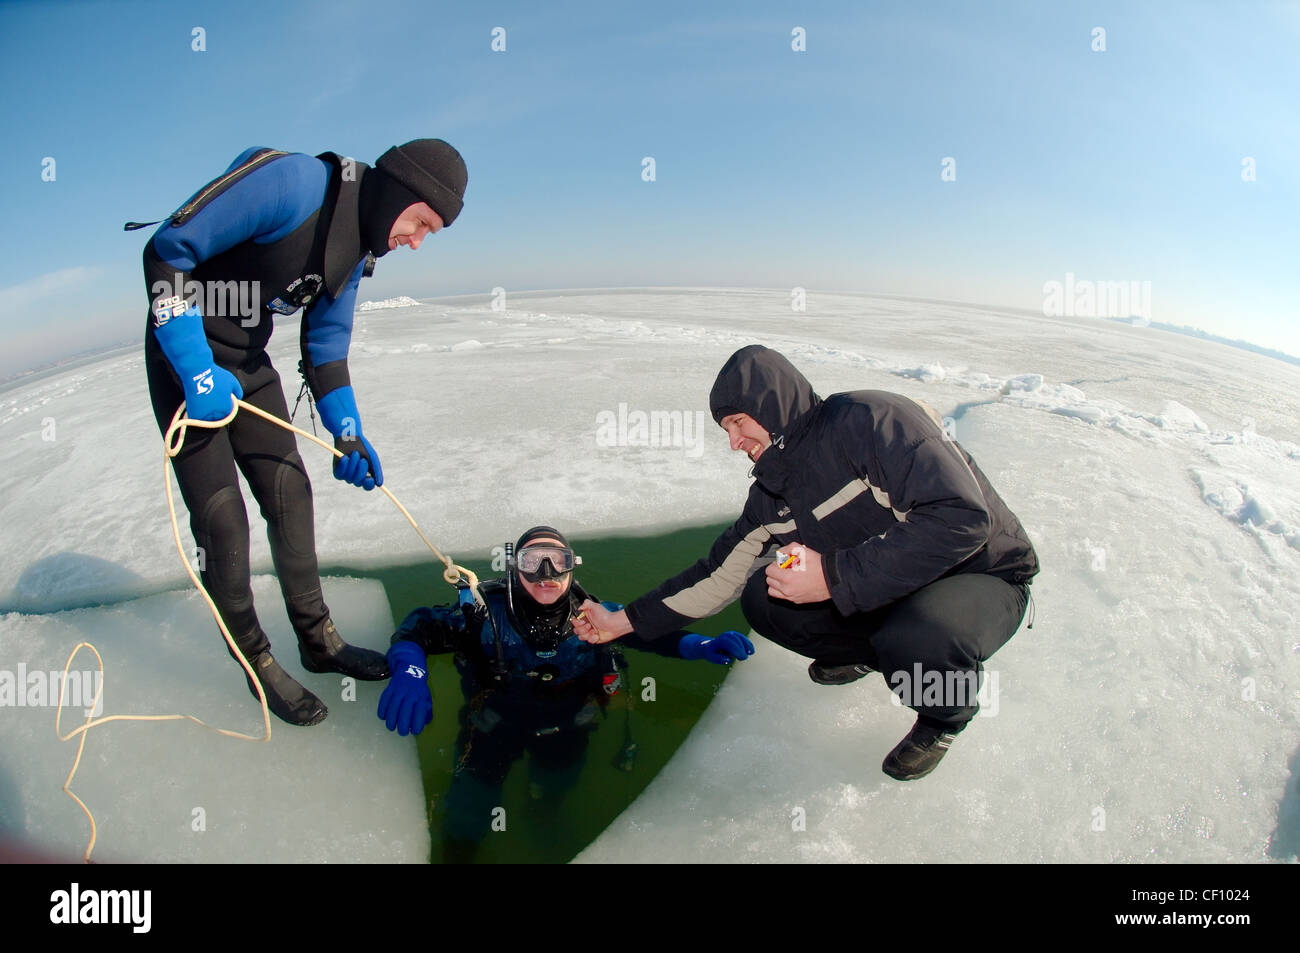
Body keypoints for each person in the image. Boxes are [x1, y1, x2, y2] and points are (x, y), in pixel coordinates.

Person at [575, 345, 1039, 781]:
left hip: (982, 574)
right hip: (894, 589)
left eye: (738, 422)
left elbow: (960, 518)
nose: (734, 442)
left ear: (771, 405)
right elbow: (716, 575)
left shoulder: (870, 420)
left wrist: (833, 576)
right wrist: (622, 623)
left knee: (919, 632)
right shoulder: (772, 494)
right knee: (765, 596)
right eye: (726, 431)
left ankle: (944, 717)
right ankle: (873, 654)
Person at [141, 139, 468, 726]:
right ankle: (257, 661)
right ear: (397, 191)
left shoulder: (359, 253)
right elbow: (167, 252)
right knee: (223, 521)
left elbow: (324, 348)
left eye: (431, 234)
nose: (417, 240)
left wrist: (348, 432)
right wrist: (193, 369)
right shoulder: (292, 185)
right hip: (183, 361)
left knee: (291, 494)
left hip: (246, 361)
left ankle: (320, 643)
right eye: (419, 222)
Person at [378, 526, 753, 860]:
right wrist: (410, 671)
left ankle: (542, 813)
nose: (546, 574)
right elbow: (417, 629)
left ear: (572, 566)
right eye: (533, 561)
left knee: (552, 790)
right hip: (492, 727)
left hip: (568, 727)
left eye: (556, 561)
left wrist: (702, 646)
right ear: (514, 567)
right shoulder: (484, 615)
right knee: (466, 816)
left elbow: (649, 633)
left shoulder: (595, 615)